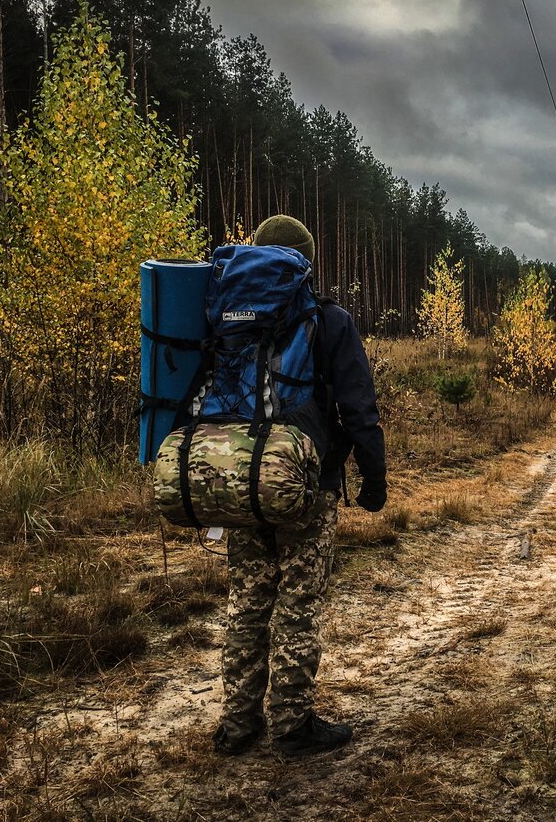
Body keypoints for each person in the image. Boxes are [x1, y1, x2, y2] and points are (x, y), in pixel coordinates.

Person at [212, 214, 387, 759]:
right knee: (298, 600)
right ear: (306, 261)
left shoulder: (225, 314)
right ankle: (292, 725)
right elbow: (358, 406)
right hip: (305, 480)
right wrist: (373, 475)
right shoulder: (329, 320)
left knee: (248, 599)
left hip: (235, 475)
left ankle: (237, 725)